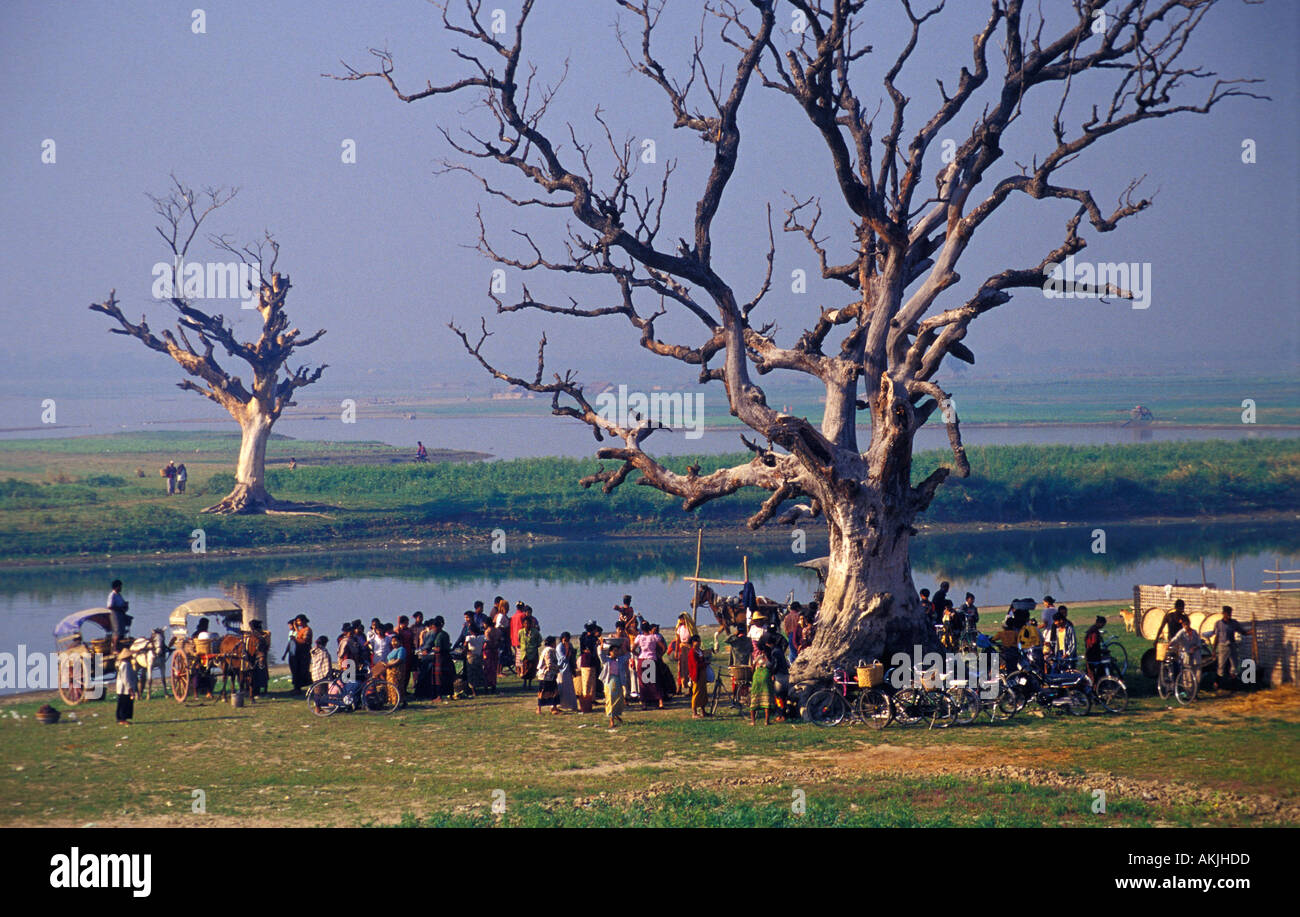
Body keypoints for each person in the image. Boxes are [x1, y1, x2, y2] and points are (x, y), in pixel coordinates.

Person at [1212, 605, 1251, 689]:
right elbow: (1216, 637)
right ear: (1223, 613)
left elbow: (1242, 632)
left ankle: (1233, 685)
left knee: (1234, 666)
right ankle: (1217, 683)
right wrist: (1214, 650)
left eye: (1230, 613)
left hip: (1232, 646)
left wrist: (1250, 632)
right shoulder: (1218, 624)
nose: (1229, 615)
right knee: (1221, 666)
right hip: (1222, 646)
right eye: (1227, 613)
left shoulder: (1234, 623)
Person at [599, 629, 628, 727]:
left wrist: (623, 646)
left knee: (618, 699)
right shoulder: (607, 661)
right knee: (610, 699)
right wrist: (602, 645)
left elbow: (627, 655)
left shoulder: (619, 660)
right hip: (609, 681)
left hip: (618, 681)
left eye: (617, 650)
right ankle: (611, 719)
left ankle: (615, 715)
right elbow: (600, 654)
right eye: (614, 651)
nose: (616, 653)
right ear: (610, 652)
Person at [635, 621, 663, 709]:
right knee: (653, 681)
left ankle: (644, 703)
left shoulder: (639, 637)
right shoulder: (654, 637)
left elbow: (632, 648)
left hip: (642, 659)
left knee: (643, 682)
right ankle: (660, 701)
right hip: (651, 658)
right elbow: (663, 647)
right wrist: (659, 655)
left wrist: (637, 655)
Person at [426, 616, 454, 703]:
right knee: (447, 677)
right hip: (446, 657)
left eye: (434, 627)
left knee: (439, 678)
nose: (433, 629)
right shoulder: (445, 634)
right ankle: (450, 694)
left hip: (440, 657)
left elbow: (439, 648)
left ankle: (439, 696)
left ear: (438, 627)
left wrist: (431, 650)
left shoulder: (439, 636)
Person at [536, 636, 560, 714]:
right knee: (544, 691)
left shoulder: (548, 650)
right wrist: (557, 667)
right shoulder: (549, 651)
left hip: (550, 674)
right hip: (546, 674)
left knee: (554, 691)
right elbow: (549, 663)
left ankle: (554, 707)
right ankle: (539, 708)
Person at [1048, 605, 1076, 670]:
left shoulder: (1069, 628)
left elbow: (1073, 643)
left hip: (1066, 653)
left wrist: (1068, 654)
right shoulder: (1056, 628)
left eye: (1065, 613)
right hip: (1058, 652)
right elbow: (1053, 639)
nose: (1064, 615)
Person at [687, 635, 709, 718]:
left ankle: (703, 711)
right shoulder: (692, 652)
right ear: (693, 642)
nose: (699, 643)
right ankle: (694, 712)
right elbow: (695, 664)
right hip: (696, 674)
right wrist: (704, 664)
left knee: (703, 692)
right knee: (696, 693)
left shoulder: (699, 651)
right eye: (698, 641)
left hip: (702, 673)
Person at [385, 630, 408, 708]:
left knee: (397, 685)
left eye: (395, 641)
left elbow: (399, 660)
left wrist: (389, 664)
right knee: (390, 685)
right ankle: (391, 700)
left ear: (400, 641)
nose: (393, 643)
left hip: (397, 670)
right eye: (392, 641)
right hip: (390, 671)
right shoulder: (393, 650)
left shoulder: (401, 649)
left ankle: (397, 702)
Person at [749, 652, 773, 726]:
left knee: (754, 700)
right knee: (766, 701)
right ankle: (766, 721)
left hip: (757, 677)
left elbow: (752, 669)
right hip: (766, 676)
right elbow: (772, 669)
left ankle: (753, 722)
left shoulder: (757, 657)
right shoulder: (769, 657)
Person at [115, 647, 137, 726]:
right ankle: (121, 719)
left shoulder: (125, 664)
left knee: (124, 703)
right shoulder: (125, 665)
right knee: (124, 703)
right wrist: (130, 689)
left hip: (124, 688)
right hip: (124, 688)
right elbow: (126, 678)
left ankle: (122, 718)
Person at [557, 632, 578, 711]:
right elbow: (562, 658)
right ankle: (561, 704)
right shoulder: (559, 647)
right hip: (561, 669)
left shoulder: (570, 645)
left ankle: (571, 705)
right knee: (561, 687)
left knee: (569, 689)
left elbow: (572, 657)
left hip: (568, 669)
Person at [519, 615, 542, 688]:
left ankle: (530, 683)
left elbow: (539, 640)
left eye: (528, 623)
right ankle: (524, 682)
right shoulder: (520, 632)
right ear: (523, 624)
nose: (527, 625)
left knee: (532, 669)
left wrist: (535, 646)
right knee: (525, 668)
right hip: (524, 653)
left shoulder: (535, 632)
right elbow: (519, 640)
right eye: (525, 623)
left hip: (533, 653)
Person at [1083, 616, 1107, 682]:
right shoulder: (1094, 631)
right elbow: (1093, 644)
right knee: (1092, 673)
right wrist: (1101, 651)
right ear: (1100, 623)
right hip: (1092, 654)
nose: (1103, 626)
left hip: (1091, 653)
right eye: (1103, 624)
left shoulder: (1093, 629)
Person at [465, 625, 486, 691]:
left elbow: (465, 645)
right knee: (480, 672)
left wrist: (467, 651)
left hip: (471, 656)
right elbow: (486, 643)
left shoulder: (469, 638)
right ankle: (486, 689)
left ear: (471, 631)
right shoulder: (482, 637)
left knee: (471, 674)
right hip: (479, 655)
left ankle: (473, 691)